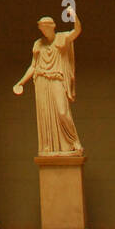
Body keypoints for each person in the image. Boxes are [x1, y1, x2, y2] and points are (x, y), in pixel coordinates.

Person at [13, 15, 83, 154]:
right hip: (41, 81)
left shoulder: (62, 38)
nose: (43, 30)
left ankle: (74, 141)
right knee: (45, 115)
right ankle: (49, 146)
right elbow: (33, 66)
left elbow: (77, 30)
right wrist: (21, 81)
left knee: (62, 112)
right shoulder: (38, 44)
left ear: (52, 26)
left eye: (46, 27)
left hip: (56, 78)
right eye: (41, 27)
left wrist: (73, 15)